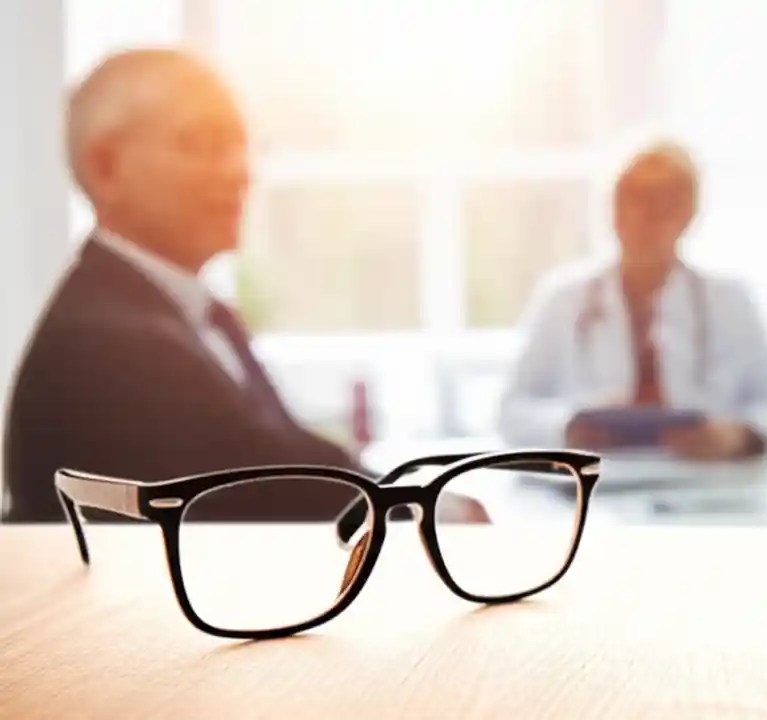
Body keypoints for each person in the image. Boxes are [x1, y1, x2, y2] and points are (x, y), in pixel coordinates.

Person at [3, 49, 483, 523]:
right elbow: (273, 490)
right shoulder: (106, 342)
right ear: (107, 166)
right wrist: (436, 513)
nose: (239, 170)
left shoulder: (194, 313)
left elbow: (285, 456)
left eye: (241, 146)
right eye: (203, 143)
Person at [498, 141, 767, 460]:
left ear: (689, 214)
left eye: (666, 201)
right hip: (594, 479)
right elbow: (512, 411)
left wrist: (740, 435)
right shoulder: (563, 299)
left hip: (705, 480)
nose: (648, 214)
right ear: (612, 209)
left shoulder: (732, 301)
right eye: (635, 198)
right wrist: (568, 426)